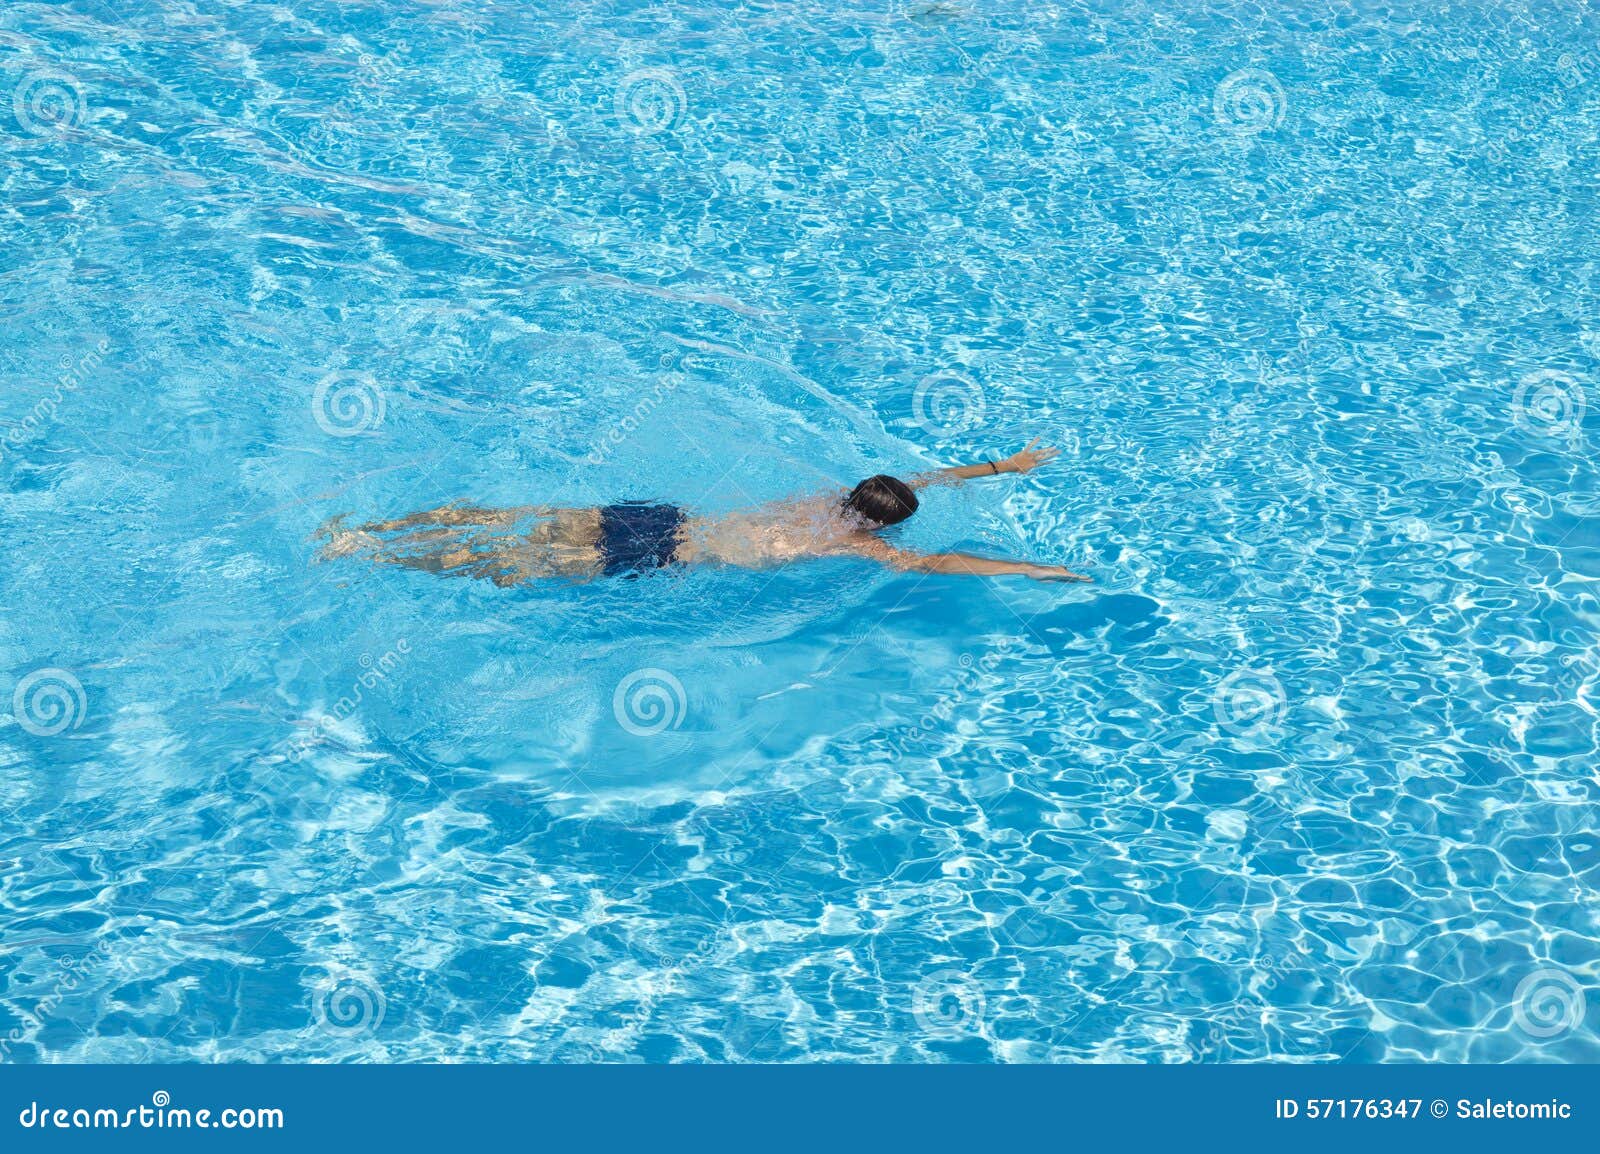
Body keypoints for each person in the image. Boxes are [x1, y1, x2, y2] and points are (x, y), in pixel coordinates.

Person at [314, 439, 1090, 585]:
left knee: (520, 516)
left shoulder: (837, 497)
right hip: (661, 558)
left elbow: (923, 474)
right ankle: (370, 552)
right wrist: (1029, 566)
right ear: (881, 522)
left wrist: (1003, 465)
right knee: (510, 568)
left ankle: (376, 527)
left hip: (660, 516)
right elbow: (939, 562)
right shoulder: (854, 543)